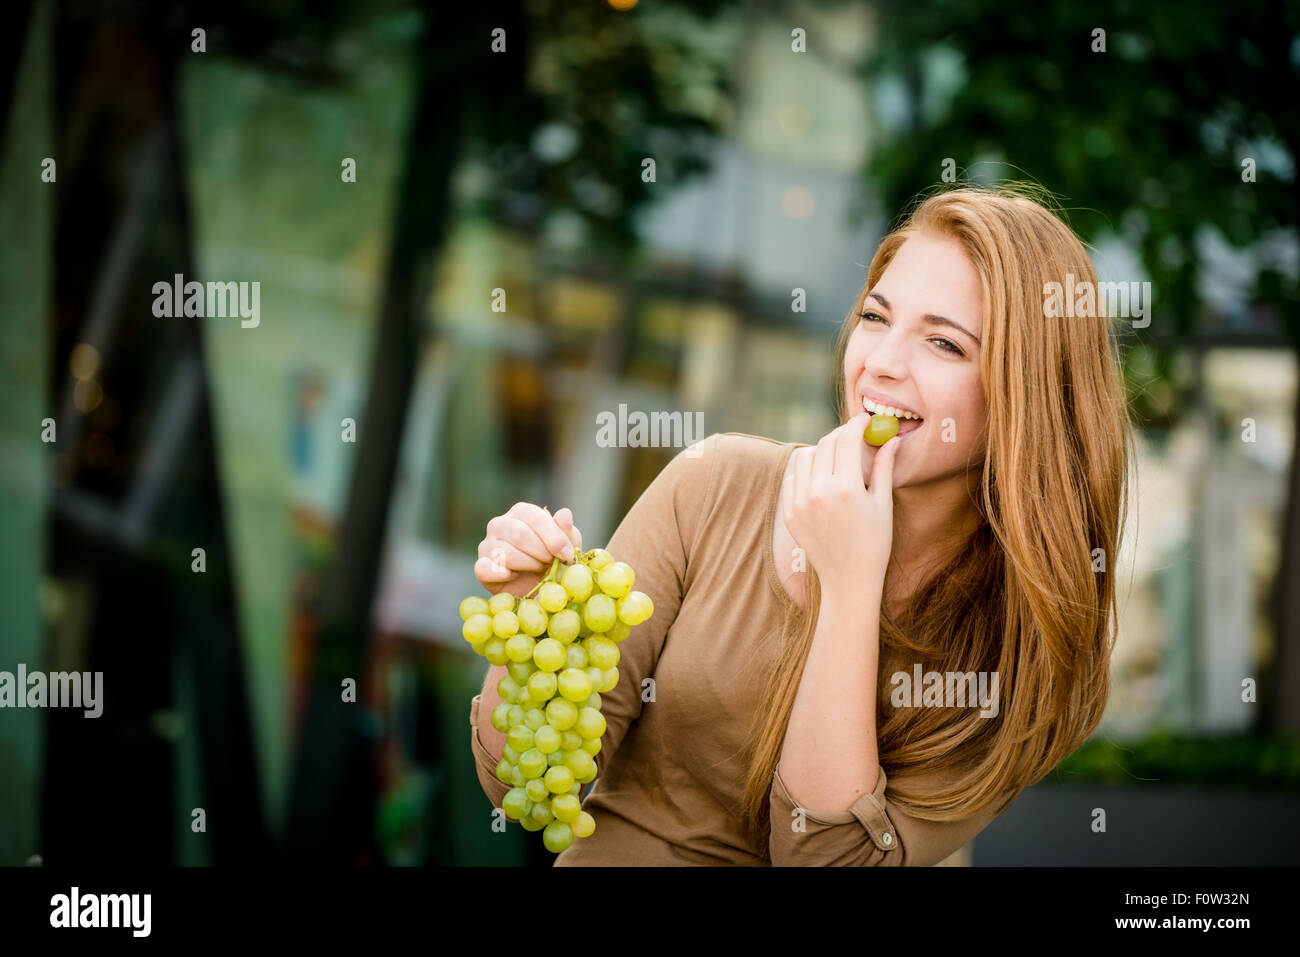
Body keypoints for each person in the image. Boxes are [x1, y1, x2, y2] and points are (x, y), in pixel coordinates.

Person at [468, 183, 1135, 865]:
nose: (881, 362)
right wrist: (529, 619)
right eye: (876, 317)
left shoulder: (1023, 643)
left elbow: (827, 859)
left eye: (943, 342)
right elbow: (524, 784)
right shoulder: (715, 483)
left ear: (1024, 396)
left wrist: (849, 586)